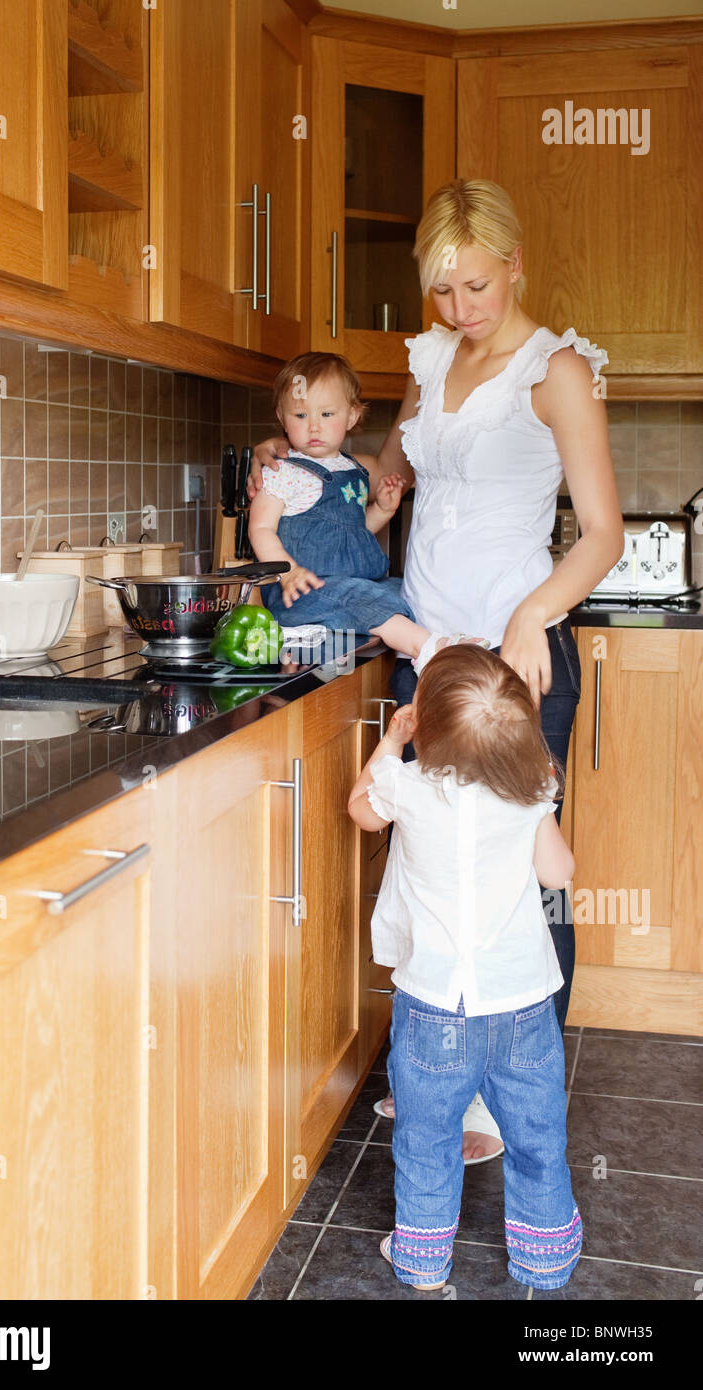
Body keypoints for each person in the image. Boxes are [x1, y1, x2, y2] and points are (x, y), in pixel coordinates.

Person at [248, 178, 624, 1163]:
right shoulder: (427, 359)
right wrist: (299, 469)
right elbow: (394, 475)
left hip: (512, 656)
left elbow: (605, 534)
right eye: (444, 292)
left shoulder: (557, 373)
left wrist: (538, 613)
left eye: (477, 287)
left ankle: (508, 1093)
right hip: (423, 649)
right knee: (427, 862)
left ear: (516, 266)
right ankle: (439, 1069)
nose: (460, 310)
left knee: (520, 868)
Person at [348, 642, 582, 1291]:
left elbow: (362, 810)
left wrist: (390, 745)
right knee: (536, 1131)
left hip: (432, 1003)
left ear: (423, 724)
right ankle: (546, 1257)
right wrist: (542, 802)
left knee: (426, 1133)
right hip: (522, 1000)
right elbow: (558, 873)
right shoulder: (530, 791)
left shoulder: (409, 786)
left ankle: (423, 1260)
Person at [249, 352, 432, 661]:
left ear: (351, 416)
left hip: (353, 585)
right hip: (303, 592)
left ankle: (437, 644)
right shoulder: (284, 471)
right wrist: (289, 572)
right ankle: (430, 650)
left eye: (327, 414)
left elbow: (352, 533)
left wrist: (383, 510)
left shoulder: (352, 468)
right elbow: (260, 529)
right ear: (282, 417)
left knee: (404, 590)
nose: (314, 427)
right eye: (301, 415)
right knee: (360, 597)